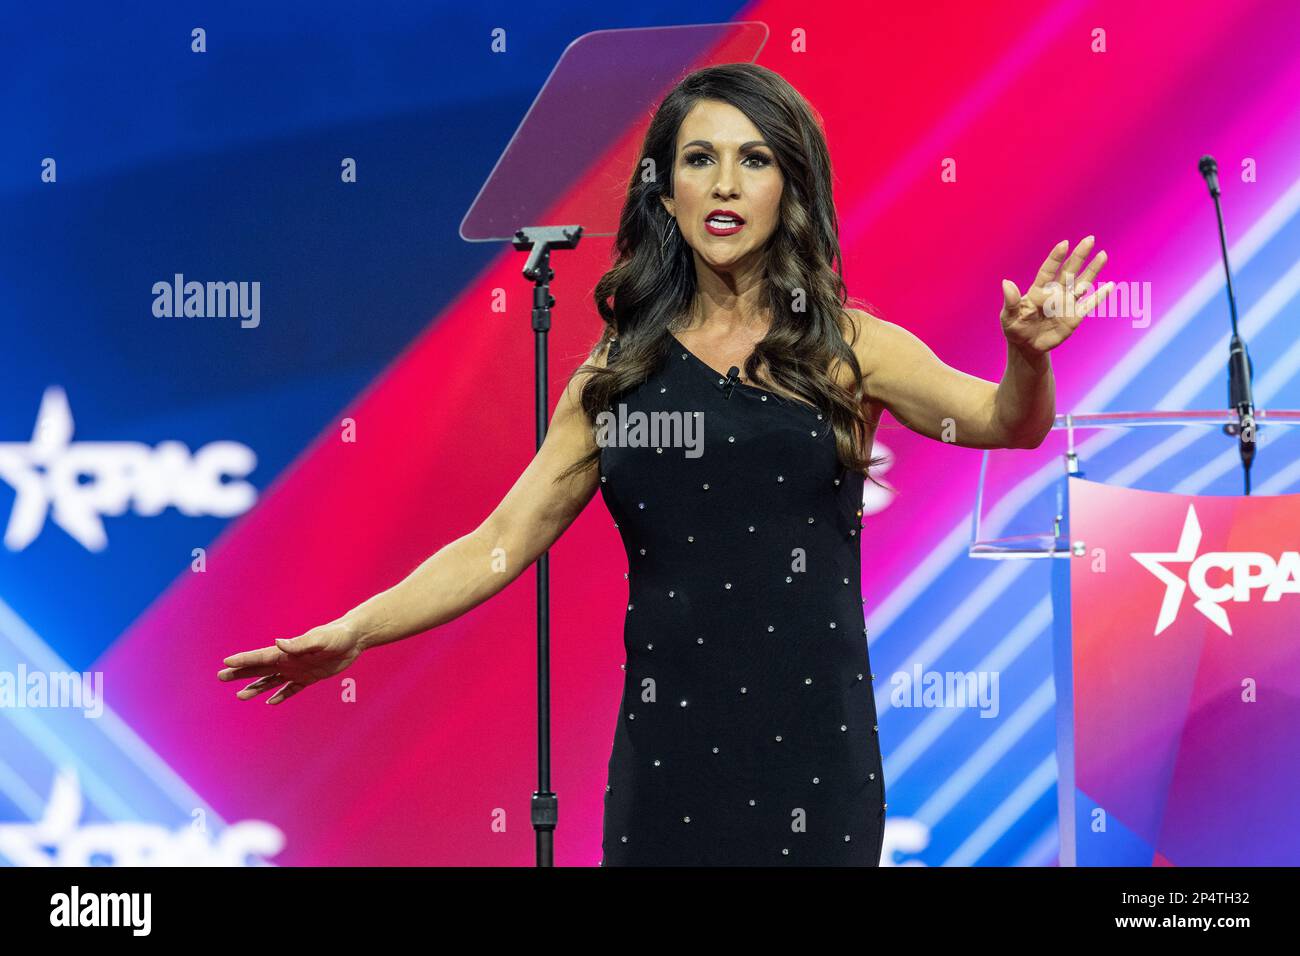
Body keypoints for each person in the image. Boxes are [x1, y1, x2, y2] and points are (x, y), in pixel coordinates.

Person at [217, 63, 1112, 866]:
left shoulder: (848, 345)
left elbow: (1004, 425)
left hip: (815, 755)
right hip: (667, 766)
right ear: (664, 189)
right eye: (699, 159)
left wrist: (1028, 360)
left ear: (789, 189)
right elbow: (499, 543)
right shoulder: (617, 375)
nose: (726, 184)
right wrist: (356, 632)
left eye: (755, 160)